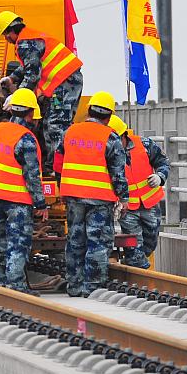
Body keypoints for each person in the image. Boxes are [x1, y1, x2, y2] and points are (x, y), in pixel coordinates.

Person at [0, 88, 48, 292]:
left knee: (0, 242)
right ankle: (17, 286)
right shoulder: (26, 139)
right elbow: (31, 176)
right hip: (16, 201)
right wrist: (41, 204)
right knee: (18, 244)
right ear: (31, 113)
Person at [55, 91, 129, 297]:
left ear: (89, 111)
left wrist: (63, 187)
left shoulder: (70, 132)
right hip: (99, 199)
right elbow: (118, 173)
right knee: (97, 241)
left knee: (75, 239)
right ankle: (93, 288)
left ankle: (74, 285)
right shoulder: (111, 138)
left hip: (73, 197)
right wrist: (124, 198)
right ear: (108, 117)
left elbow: (58, 164)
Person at [0, 11, 84, 174]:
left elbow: (32, 75)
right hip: (66, 81)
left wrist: (18, 97)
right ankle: (53, 166)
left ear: (11, 31)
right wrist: (13, 78)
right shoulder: (29, 38)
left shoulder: (25, 43)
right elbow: (31, 64)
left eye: (5, 35)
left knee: (56, 125)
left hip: (65, 82)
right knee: (51, 123)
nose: (6, 39)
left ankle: (61, 169)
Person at [108, 115, 169, 269]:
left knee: (150, 241)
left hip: (150, 205)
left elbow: (162, 162)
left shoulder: (145, 145)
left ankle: (135, 262)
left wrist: (160, 176)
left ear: (123, 136)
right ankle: (138, 271)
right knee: (134, 245)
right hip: (128, 209)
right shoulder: (108, 153)